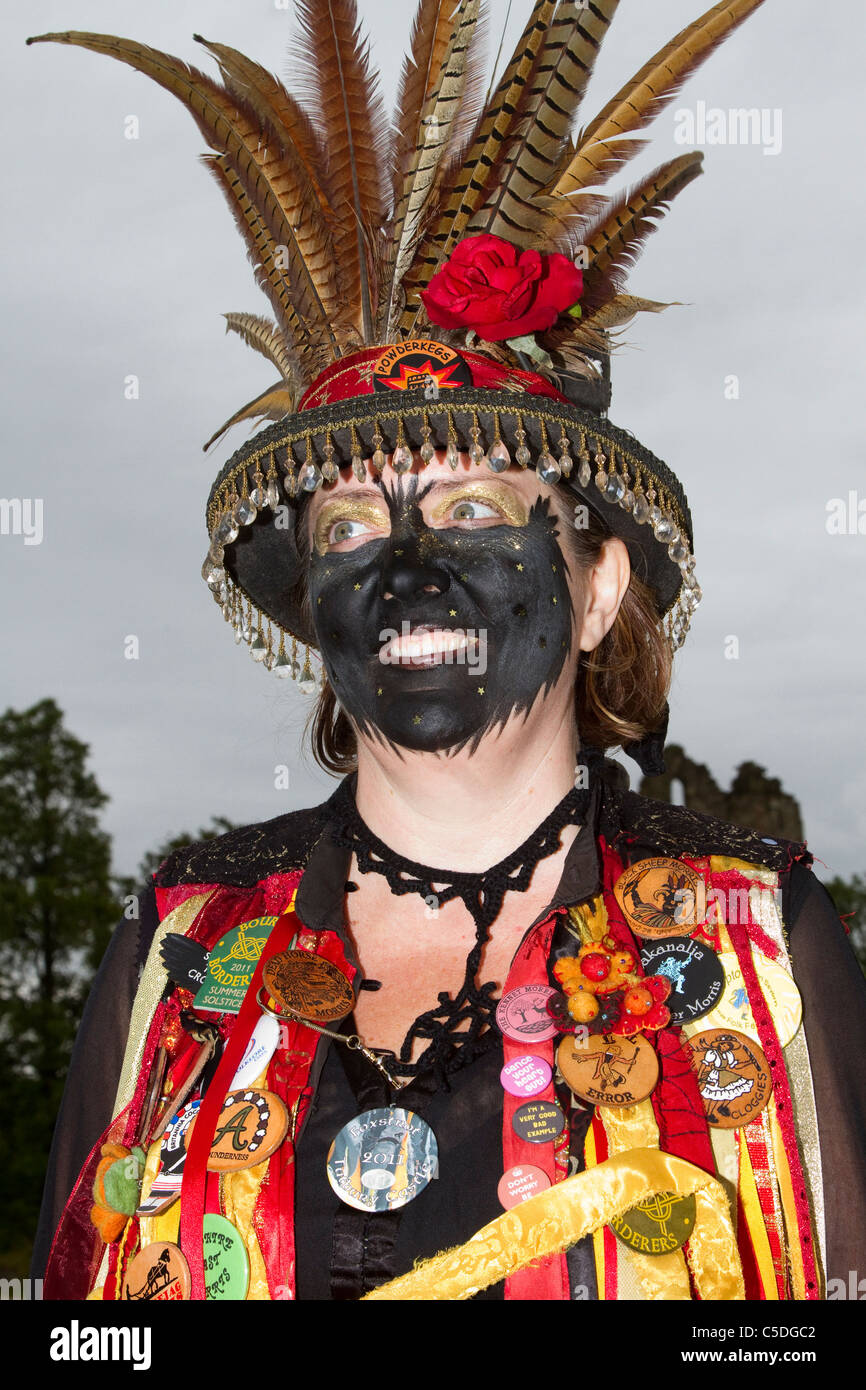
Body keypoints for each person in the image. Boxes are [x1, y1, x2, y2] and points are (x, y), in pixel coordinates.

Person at [30, 0, 866, 1301]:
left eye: (473, 512)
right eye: (352, 525)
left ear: (593, 590)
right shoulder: (174, 948)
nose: (406, 567)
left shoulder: (758, 936)